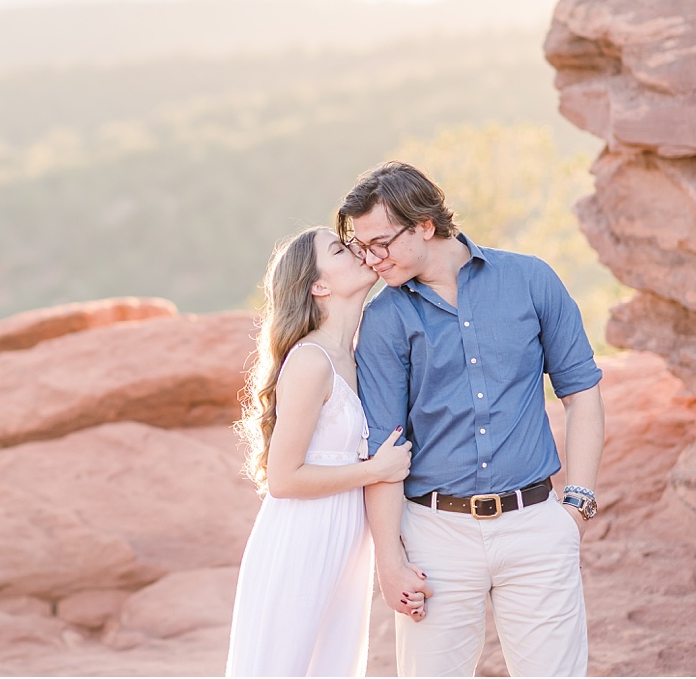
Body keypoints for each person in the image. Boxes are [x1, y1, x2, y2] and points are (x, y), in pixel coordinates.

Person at [338, 162, 605, 678]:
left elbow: (583, 393)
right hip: (435, 535)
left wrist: (577, 506)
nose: (372, 260)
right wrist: (391, 562)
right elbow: (385, 453)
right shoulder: (385, 319)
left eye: (381, 243)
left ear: (425, 225)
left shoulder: (530, 279)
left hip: (536, 525)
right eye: (362, 248)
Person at [225, 226, 415, 677]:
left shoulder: (352, 353)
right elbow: (283, 479)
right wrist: (375, 471)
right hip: (302, 536)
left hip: (344, 537)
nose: (356, 251)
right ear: (319, 285)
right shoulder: (312, 360)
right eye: (339, 249)